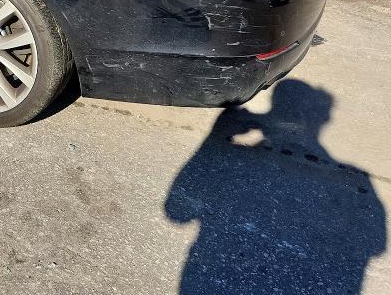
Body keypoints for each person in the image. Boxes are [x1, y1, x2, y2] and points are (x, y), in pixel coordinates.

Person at [165, 80, 386, 294]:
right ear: (323, 119)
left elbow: (177, 211)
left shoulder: (355, 181)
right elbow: (376, 245)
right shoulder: (358, 182)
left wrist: (215, 135)